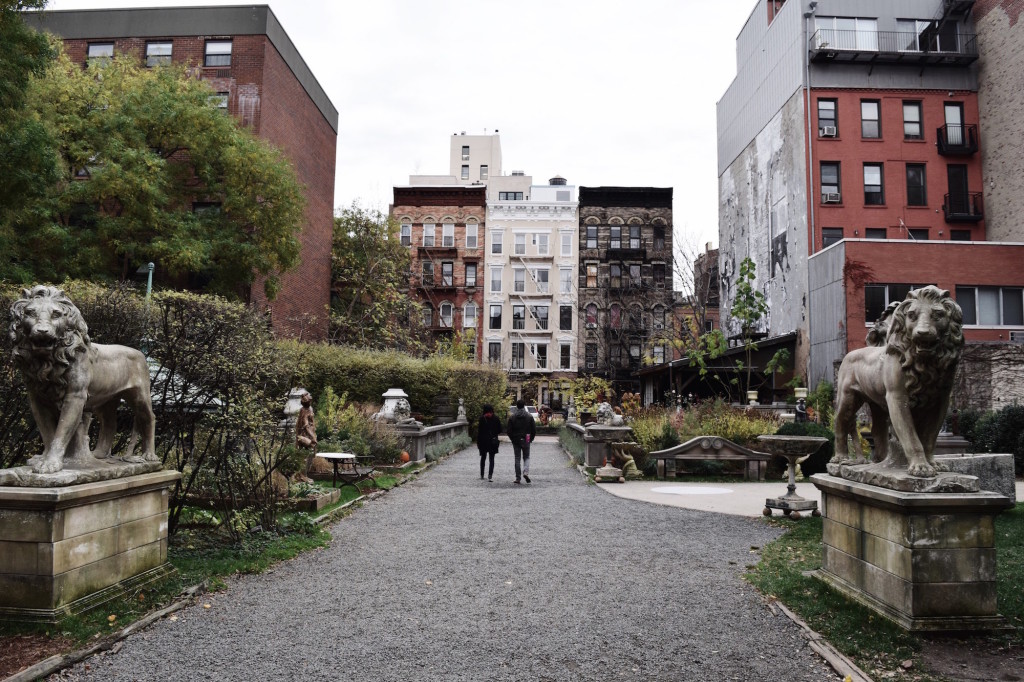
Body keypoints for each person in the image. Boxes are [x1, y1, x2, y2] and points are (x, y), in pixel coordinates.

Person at [506, 399, 536, 484]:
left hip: (516, 439)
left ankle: (518, 478)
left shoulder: (512, 417)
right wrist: (531, 439)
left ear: (517, 406)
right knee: (526, 457)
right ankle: (525, 472)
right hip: (526, 438)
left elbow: (509, 431)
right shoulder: (529, 416)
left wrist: (512, 439)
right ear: (524, 406)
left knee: (517, 458)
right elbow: (533, 429)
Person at [294, 391, 317, 483]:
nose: (310, 399)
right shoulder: (304, 410)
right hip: (305, 435)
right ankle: (302, 476)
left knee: (309, 455)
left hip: (310, 433)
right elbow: (305, 425)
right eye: (309, 399)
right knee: (305, 456)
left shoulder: (309, 409)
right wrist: (313, 437)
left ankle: (304, 475)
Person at [477, 404, 502, 481]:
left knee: (489, 458)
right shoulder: (495, 418)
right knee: (486, 458)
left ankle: (489, 474)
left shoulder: (482, 418)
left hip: (487, 441)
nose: (488, 414)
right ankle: (483, 474)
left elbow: (479, 431)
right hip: (489, 441)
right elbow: (500, 430)